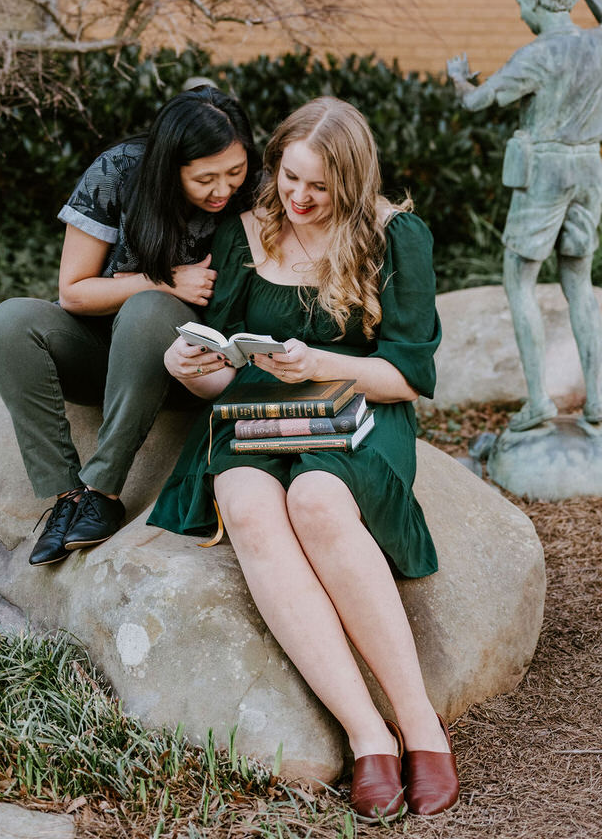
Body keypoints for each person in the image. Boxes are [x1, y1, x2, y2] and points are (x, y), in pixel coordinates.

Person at [148, 97, 459, 823]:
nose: (299, 198)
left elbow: (407, 376)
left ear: (352, 183)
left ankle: (418, 725)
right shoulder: (245, 233)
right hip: (254, 414)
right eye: (290, 178)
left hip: (357, 412)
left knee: (316, 502)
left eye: (319, 187)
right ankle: (368, 736)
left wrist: (319, 361)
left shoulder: (396, 237)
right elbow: (225, 364)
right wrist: (189, 366)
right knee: (254, 508)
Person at [0, 86, 260, 566]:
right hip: (107, 357)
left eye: (234, 172)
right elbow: (74, 291)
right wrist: (164, 279)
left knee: (149, 309)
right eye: (205, 179)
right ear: (169, 167)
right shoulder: (118, 173)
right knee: (12, 321)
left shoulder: (257, 189)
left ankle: (104, 491)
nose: (223, 190)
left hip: (190, 370)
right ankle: (68, 496)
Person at [448, 0, 602, 431]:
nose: (520, 12)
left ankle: (539, 401)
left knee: (520, 283)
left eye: (521, 2)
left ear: (537, 0)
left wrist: (458, 79)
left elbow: (476, 102)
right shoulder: (596, 45)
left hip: (545, 173)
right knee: (580, 286)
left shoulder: (536, 55)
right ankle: (597, 399)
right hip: (589, 169)